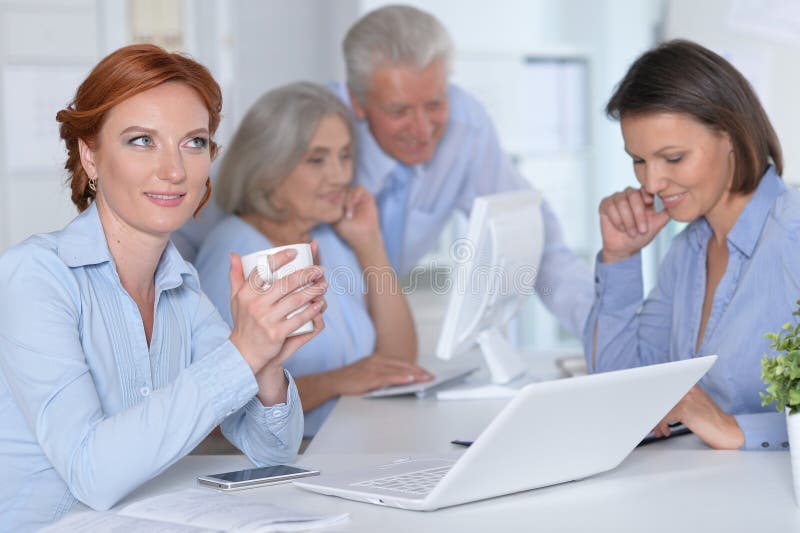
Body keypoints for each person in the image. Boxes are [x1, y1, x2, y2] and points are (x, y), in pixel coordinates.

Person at [0, 45, 327, 531]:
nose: (175, 170)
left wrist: (267, 363)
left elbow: (273, 450)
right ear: (90, 156)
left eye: (194, 142)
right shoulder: (35, 277)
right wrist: (241, 353)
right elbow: (93, 474)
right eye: (141, 141)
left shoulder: (181, 289)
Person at [175, 4, 594, 338]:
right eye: (398, 111)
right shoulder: (312, 130)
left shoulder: (466, 129)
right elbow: (196, 229)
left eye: (434, 104)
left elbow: (541, 246)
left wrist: (602, 337)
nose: (423, 129)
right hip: (298, 343)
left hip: (370, 334)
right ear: (358, 103)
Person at [585, 39, 800, 450]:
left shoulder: (793, 236)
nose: (651, 184)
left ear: (731, 134)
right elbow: (622, 391)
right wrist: (620, 258)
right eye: (639, 160)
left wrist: (739, 431)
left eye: (674, 158)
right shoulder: (687, 251)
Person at [195, 82, 431, 437]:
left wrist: (371, 244)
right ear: (269, 170)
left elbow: (399, 363)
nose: (340, 176)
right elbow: (216, 411)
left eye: (345, 155)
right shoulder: (236, 254)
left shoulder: (329, 237)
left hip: (360, 443)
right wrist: (336, 382)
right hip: (293, 460)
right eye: (317, 159)